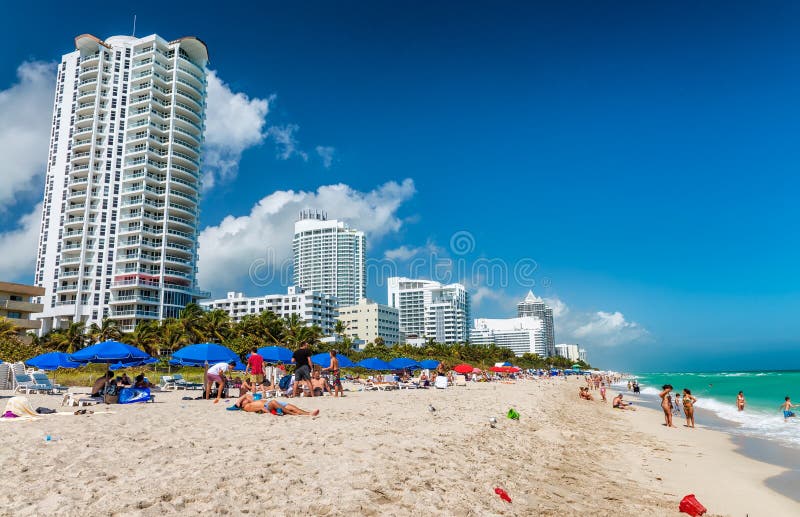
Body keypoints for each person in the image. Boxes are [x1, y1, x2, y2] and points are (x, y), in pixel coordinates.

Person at [233, 393, 319, 416]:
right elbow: (259, 409)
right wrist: (267, 412)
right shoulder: (247, 407)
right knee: (274, 402)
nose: (245, 399)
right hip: (268, 405)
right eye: (243, 400)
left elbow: (246, 395)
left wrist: (241, 399)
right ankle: (293, 414)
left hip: (269, 402)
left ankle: (308, 413)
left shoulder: (250, 401)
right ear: (242, 405)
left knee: (291, 406)